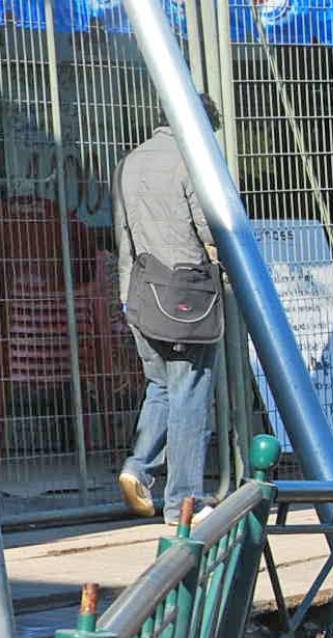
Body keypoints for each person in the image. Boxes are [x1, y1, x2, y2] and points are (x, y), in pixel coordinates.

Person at [116, 95, 222, 523]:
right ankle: (184, 502)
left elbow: (122, 232)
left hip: (139, 291)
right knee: (190, 397)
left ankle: (137, 469)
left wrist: (126, 296)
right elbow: (213, 228)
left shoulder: (129, 161)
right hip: (186, 298)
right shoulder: (192, 161)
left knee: (160, 388)